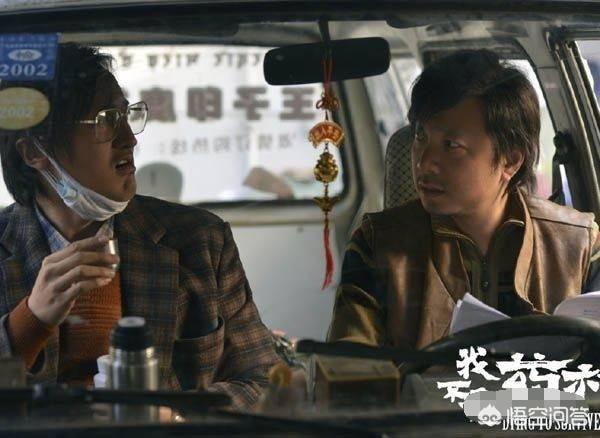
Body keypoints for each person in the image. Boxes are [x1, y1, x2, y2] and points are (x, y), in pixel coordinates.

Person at [0, 43, 279, 409]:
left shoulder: (200, 239)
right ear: (35, 152)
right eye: (105, 120)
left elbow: (264, 380)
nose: (129, 139)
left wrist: (175, 417)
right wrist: (29, 321)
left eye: (125, 115)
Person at [328, 49, 600, 349]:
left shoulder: (580, 244)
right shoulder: (377, 244)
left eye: (451, 145)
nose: (424, 162)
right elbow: (350, 362)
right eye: (420, 136)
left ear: (510, 161)